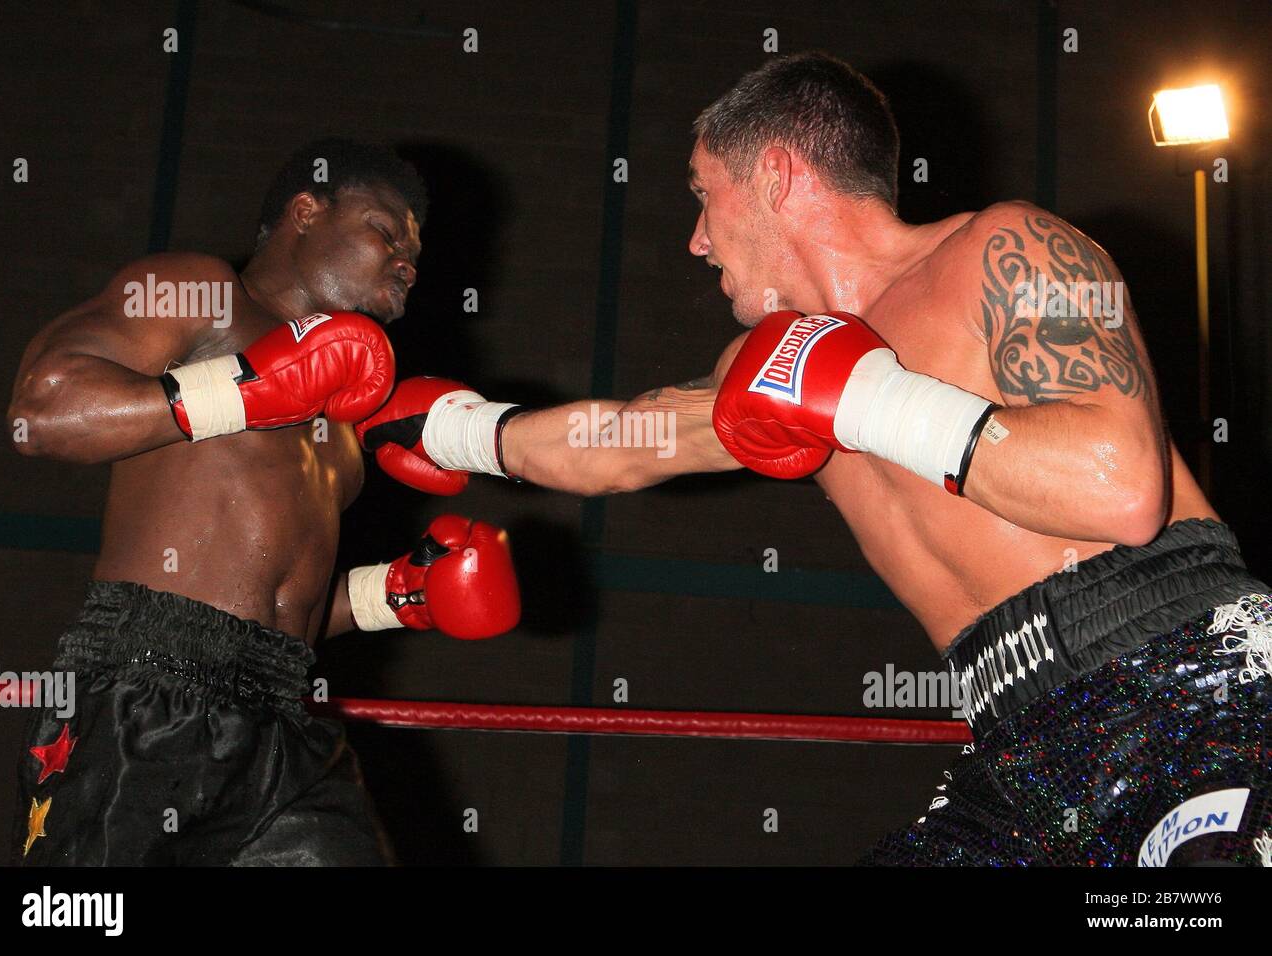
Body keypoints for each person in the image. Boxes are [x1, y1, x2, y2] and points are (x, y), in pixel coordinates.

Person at [361, 55, 1272, 865]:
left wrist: (870, 399)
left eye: (702, 195)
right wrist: (453, 429)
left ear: (776, 172)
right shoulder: (774, 370)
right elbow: (624, 444)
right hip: (1019, 742)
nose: (696, 240)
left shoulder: (1008, 247)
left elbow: (1122, 487)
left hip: (1187, 667)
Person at [6, 139, 520, 866]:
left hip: (285, 721)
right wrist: (245, 389)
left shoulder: (343, 425)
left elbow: (279, 605)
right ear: (305, 211)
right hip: (145, 685)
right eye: (386, 230)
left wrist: (392, 595)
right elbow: (44, 412)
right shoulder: (206, 293)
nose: (408, 258)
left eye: (415, 248)